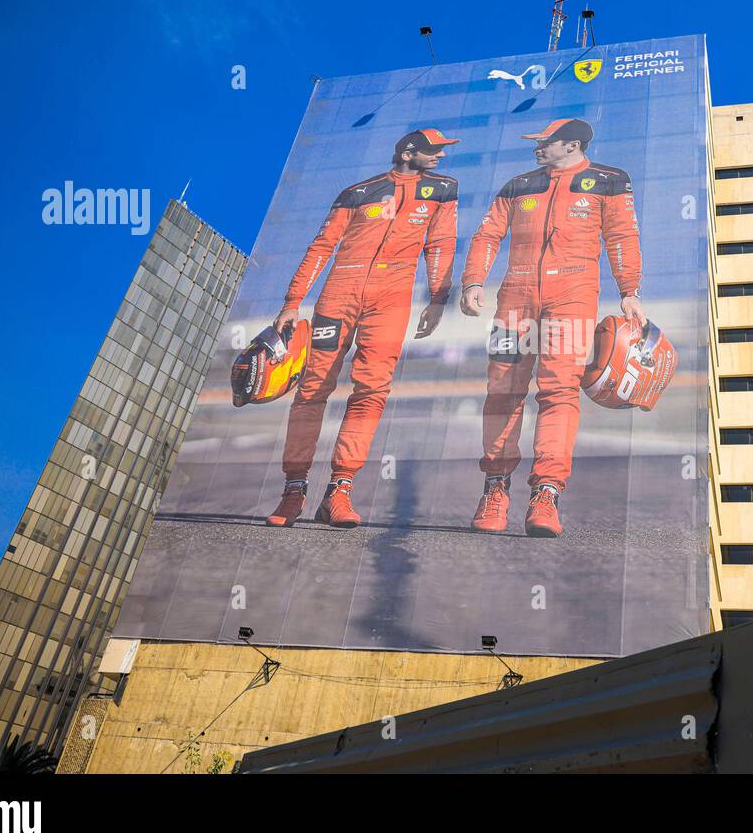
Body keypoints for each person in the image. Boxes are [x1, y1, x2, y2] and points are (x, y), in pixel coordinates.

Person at [459, 118, 645, 538]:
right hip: (515, 298)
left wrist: (629, 290)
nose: (538, 147)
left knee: (559, 390)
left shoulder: (609, 181)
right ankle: (495, 489)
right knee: (503, 390)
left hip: (573, 295)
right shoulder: (518, 184)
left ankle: (546, 492)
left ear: (572, 144)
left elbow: (622, 236)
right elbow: (487, 234)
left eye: (545, 142)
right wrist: (473, 281)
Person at [265, 129, 459, 528]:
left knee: (372, 388)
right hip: (340, 293)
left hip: (392, 299)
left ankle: (340, 489)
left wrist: (438, 299)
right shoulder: (358, 192)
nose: (439, 155)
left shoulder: (443, 190)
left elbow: (440, 243)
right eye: (432, 150)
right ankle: (294, 489)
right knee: (313, 389)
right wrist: (291, 302)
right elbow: (321, 247)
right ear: (408, 153)